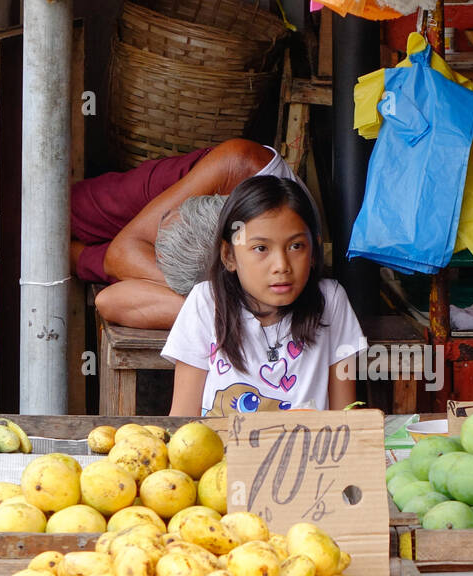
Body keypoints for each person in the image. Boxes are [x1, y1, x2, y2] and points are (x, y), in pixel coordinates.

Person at [162, 176, 365, 416]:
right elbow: (183, 419)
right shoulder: (207, 302)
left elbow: (345, 416)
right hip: (221, 452)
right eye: (261, 248)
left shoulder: (330, 300)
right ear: (229, 256)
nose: (281, 266)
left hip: (307, 451)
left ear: (314, 251)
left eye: (296, 246)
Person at [70, 139, 307, 329]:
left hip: (216, 269)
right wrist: (221, 299)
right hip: (193, 185)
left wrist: (215, 302)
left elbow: (112, 295)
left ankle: (73, 258)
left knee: (81, 260)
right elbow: (120, 255)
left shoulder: (286, 279)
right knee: (65, 210)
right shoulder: (240, 164)